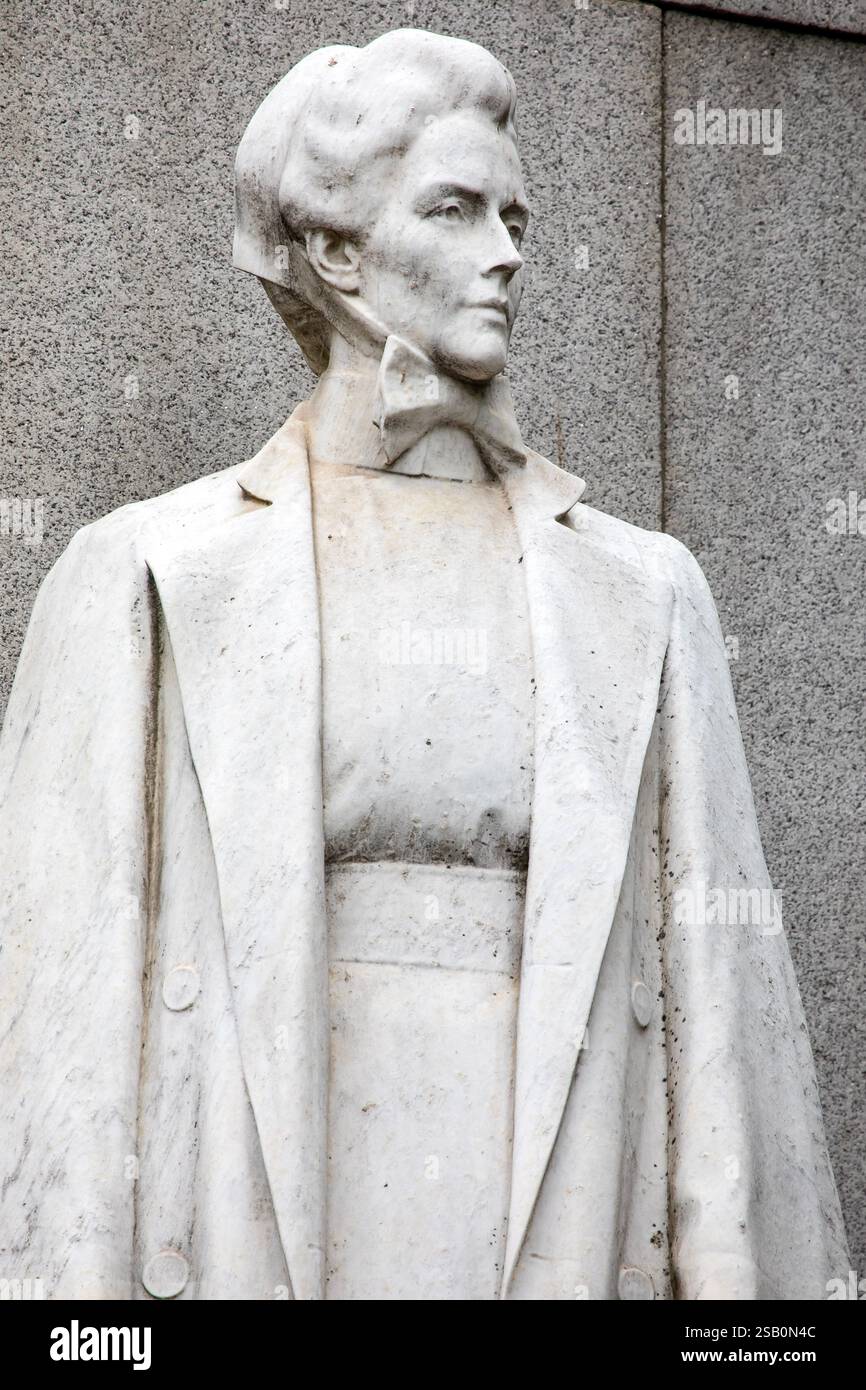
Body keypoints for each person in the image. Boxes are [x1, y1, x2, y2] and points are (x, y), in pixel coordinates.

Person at [0, 29, 849, 1300]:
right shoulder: (147, 576)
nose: (505, 253)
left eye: (515, 215)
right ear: (336, 250)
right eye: (453, 210)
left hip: (563, 1221)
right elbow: (60, 1033)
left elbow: (722, 1030)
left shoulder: (642, 593)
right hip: (244, 1234)